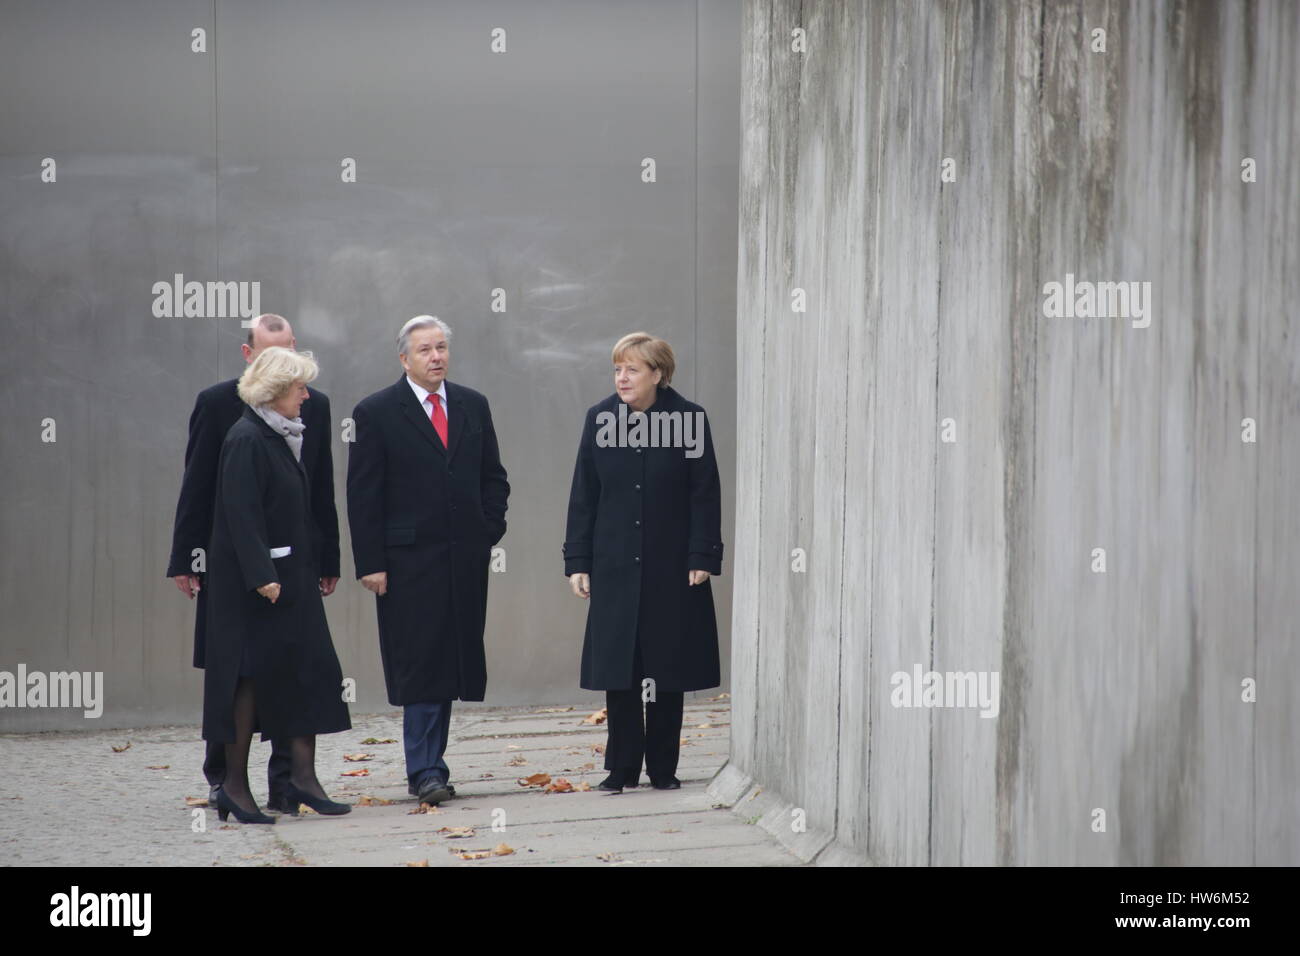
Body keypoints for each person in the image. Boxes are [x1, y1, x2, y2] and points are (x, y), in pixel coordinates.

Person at [166, 314, 341, 813]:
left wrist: (327, 556)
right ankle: (226, 781)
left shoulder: (314, 406)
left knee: (292, 669)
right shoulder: (223, 409)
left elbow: (319, 488)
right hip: (242, 570)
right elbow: (200, 488)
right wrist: (188, 557)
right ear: (250, 358)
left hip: (293, 564)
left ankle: (290, 782)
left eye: (288, 350)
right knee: (236, 672)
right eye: (270, 354)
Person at [346, 315, 509, 806]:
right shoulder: (375, 412)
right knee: (419, 662)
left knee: (451, 659)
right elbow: (362, 494)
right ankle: (424, 770)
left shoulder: (471, 404)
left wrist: (487, 529)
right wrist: (371, 562)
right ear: (404, 358)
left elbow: (493, 477)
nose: (436, 357)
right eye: (425, 350)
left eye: (441, 348)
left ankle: (432, 763)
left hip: (463, 558)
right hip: (406, 561)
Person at [563, 332, 723, 791]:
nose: (622, 377)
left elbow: (704, 493)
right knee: (622, 668)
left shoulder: (689, 420)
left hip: (672, 566)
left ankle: (664, 768)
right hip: (614, 564)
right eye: (617, 369)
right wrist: (578, 560)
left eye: (632, 369)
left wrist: (702, 554)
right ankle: (621, 767)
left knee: (667, 668)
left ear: (658, 373)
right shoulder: (600, 419)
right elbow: (583, 495)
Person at [201, 347, 352, 824]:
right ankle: (235, 787)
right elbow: (240, 513)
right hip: (258, 588)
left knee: (304, 671)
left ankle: (302, 779)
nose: (307, 396)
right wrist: (262, 574)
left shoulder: (283, 434)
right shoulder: (247, 437)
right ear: (274, 392)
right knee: (247, 684)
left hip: (294, 579)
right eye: (299, 388)